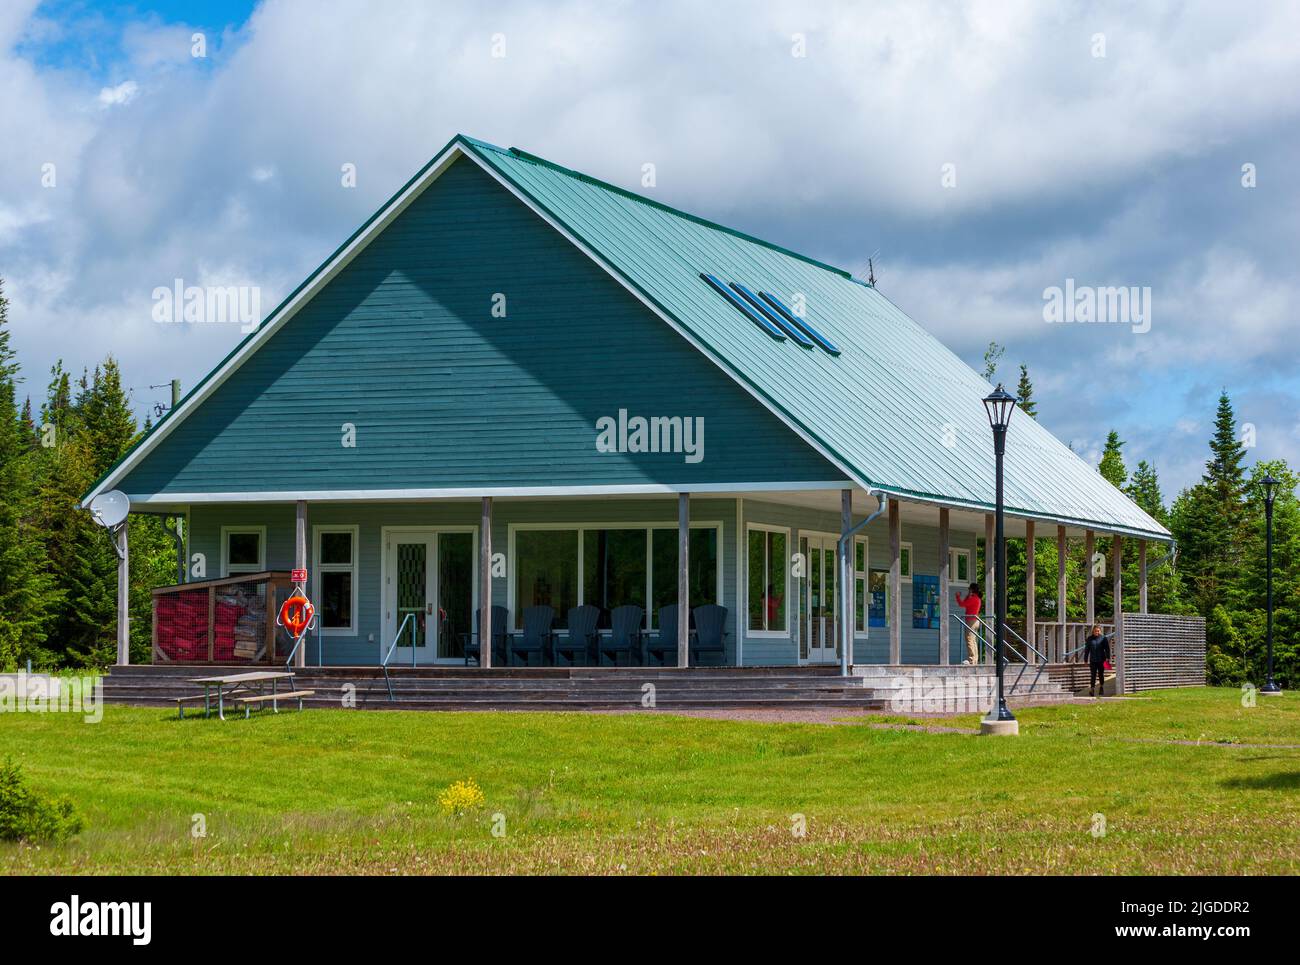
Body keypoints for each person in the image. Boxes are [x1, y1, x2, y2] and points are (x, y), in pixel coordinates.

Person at [955, 582, 982, 664]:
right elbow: (966, 603)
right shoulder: (976, 598)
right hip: (975, 620)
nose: (968, 591)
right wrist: (968, 595)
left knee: (969, 640)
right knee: (973, 641)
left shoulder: (973, 599)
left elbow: (962, 604)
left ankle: (971, 660)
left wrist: (957, 596)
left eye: (969, 589)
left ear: (972, 590)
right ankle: (974, 660)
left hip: (971, 621)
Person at [1083, 625, 1113, 697]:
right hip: (1093, 660)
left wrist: (1108, 658)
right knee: (1093, 675)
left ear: (1100, 631)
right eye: (1096, 631)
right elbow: (1087, 650)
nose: (1097, 632)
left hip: (1101, 660)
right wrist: (1085, 659)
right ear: (1093, 631)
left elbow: (1107, 649)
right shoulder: (1089, 639)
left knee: (1100, 674)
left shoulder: (1103, 638)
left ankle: (1101, 687)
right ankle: (1092, 689)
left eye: (1098, 631)